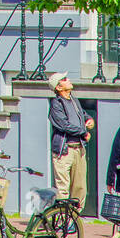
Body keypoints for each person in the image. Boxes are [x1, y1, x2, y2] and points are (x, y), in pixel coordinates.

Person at [48, 71, 95, 207]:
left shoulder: (74, 100)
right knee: (63, 189)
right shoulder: (56, 104)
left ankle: (74, 219)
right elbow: (63, 125)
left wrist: (89, 119)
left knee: (80, 187)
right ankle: (63, 218)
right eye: (64, 79)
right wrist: (83, 133)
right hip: (65, 150)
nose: (68, 79)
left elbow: (82, 114)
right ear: (58, 87)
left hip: (79, 149)